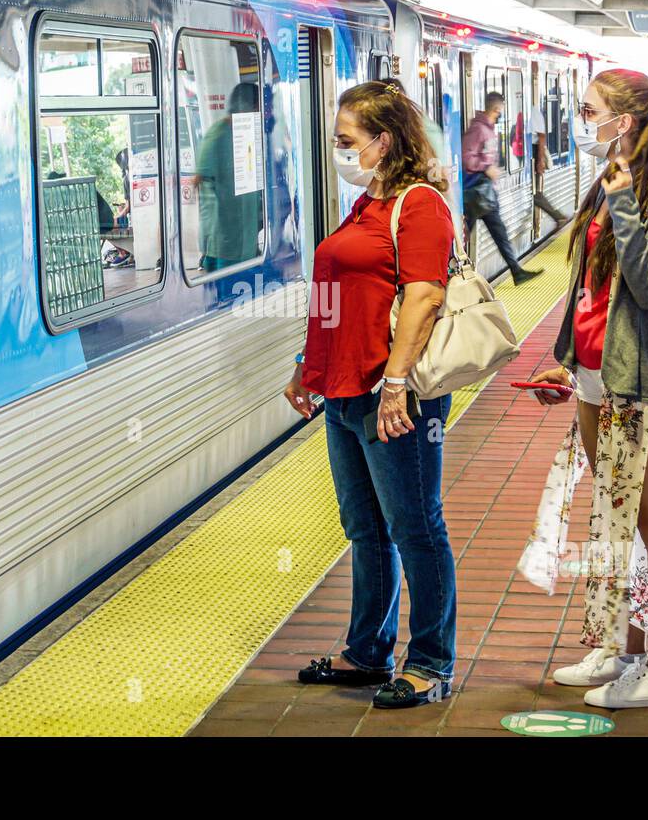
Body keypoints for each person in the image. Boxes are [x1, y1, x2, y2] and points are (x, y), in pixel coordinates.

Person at [530, 68, 648, 709]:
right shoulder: (608, 184)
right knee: (617, 519)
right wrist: (565, 358)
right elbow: (589, 286)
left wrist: (628, 204)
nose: (580, 121)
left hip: (644, 382)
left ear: (623, 121)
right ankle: (622, 648)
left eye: (589, 111)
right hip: (596, 375)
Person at [284, 81, 457, 709]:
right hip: (344, 392)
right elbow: (339, 294)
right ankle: (368, 652)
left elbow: (425, 297)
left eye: (346, 139)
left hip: (393, 395)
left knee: (416, 526)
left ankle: (431, 662)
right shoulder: (366, 204)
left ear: (383, 141)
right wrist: (307, 367)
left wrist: (396, 385)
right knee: (365, 527)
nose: (338, 149)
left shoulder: (420, 205)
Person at [463, 91, 542, 283]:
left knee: (498, 234)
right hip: (476, 192)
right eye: (502, 109)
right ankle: (452, 274)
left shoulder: (488, 128)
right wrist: (486, 167)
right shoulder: (479, 129)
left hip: (485, 193)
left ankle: (516, 271)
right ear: (497, 109)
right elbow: (466, 157)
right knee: (463, 237)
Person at [194, 81, 264, 273]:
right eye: (257, 108)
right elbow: (199, 180)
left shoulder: (245, 135)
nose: (260, 113)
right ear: (246, 107)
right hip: (224, 244)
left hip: (245, 240)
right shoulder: (217, 136)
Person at [528, 91, 572, 227]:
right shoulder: (526, 110)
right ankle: (558, 217)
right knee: (534, 193)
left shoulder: (533, 111)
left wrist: (540, 160)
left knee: (535, 194)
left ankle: (559, 217)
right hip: (529, 153)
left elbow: (542, 136)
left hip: (535, 153)